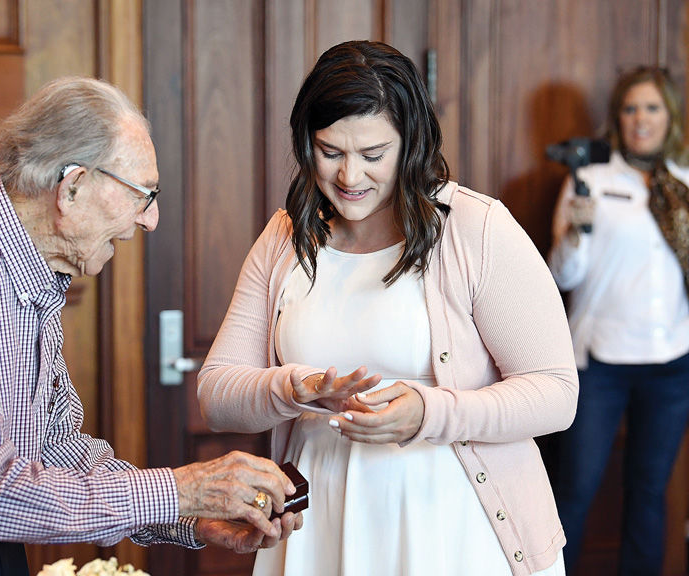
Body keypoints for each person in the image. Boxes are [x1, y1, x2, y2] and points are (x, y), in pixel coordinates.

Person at [0, 76, 302, 576]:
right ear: (71, 187)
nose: (152, 219)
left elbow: (56, 447)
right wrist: (181, 489)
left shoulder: (29, 263)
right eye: (144, 194)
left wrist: (190, 516)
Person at [197, 40, 578, 576]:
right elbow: (217, 394)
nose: (350, 177)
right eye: (331, 152)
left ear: (411, 144)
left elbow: (557, 394)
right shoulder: (285, 238)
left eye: (373, 155)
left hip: (453, 524)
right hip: (321, 522)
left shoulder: (476, 228)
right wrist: (292, 388)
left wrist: (430, 412)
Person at [548, 66, 689, 576]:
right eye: (630, 108)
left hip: (672, 364)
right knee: (576, 490)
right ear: (618, 118)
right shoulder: (590, 179)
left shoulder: (685, 183)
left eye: (651, 107)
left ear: (669, 116)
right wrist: (576, 233)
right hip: (599, 363)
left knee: (650, 494)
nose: (640, 119)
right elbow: (561, 276)